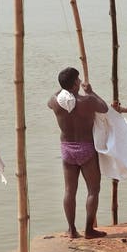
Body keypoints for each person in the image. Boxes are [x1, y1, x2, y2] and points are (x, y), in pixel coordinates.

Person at [48, 67, 109, 239]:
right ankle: (89, 230)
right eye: (78, 79)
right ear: (76, 83)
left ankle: (71, 230)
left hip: (67, 149)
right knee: (93, 190)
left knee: (69, 191)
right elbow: (104, 107)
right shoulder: (87, 101)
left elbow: (51, 99)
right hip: (86, 148)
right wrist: (91, 91)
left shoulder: (55, 102)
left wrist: (63, 88)